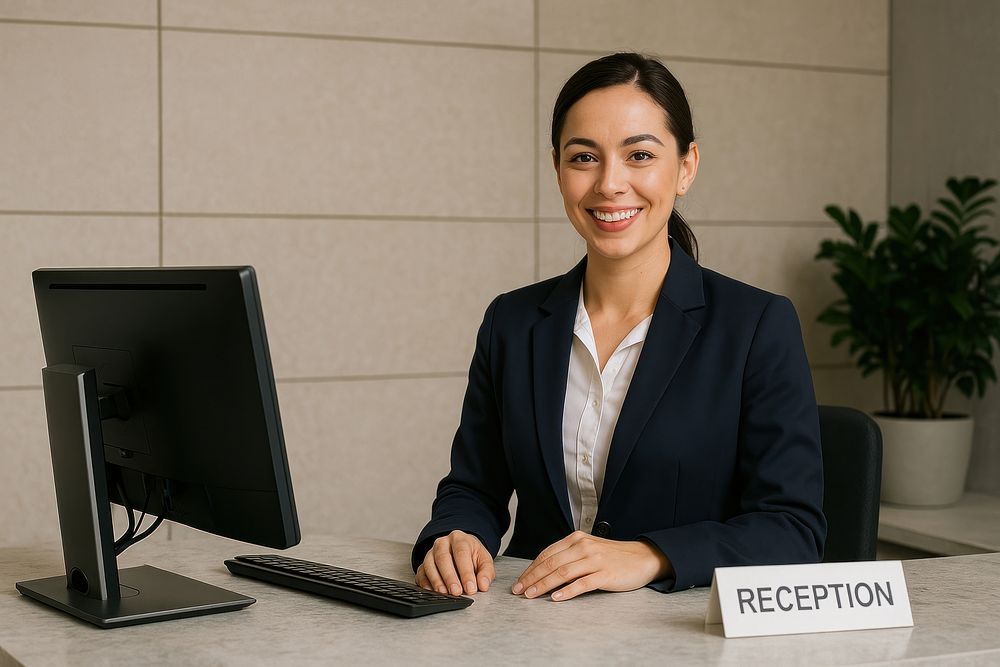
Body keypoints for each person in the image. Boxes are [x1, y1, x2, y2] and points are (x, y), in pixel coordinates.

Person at [411, 52, 825, 602]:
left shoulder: (756, 326)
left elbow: (793, 530)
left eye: (639, 156)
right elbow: (473, 488)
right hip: (532, 631)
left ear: (685, 167)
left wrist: (650, 556)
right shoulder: (511, 322)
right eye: (585, 157)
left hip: (682, 637)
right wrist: (454, 536)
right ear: (556, 167)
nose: (610, 184)